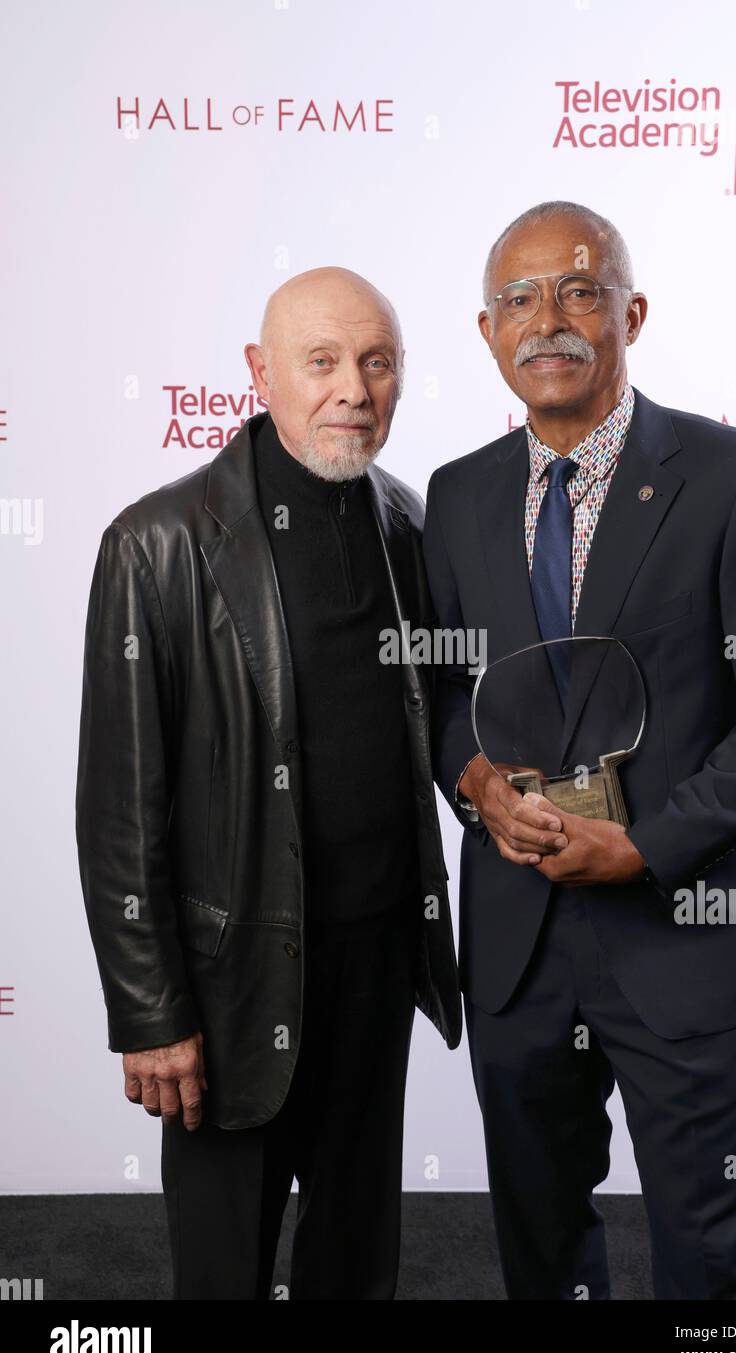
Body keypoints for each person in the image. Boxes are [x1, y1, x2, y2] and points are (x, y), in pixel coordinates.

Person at [423, 200, 736, 1300]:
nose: (547, 319)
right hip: (519, 948)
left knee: (711, 1257)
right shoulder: (457, 494)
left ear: (631, 311)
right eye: (516, 298)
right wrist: (472, 781)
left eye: (577, 289)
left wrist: (646, 846)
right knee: (539, 1246)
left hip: (684, 938)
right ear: (485, 333)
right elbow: (433, 695)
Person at [75, 267, 460, 1300]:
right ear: (259, 372)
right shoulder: (155, 545)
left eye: (376, 362)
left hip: (376, 963)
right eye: (322, 360)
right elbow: (118, 807)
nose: (353, 388)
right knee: (225, 1267)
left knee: (353, 1253)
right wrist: (151, 1010)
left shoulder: (407, 527)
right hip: (229, 976)